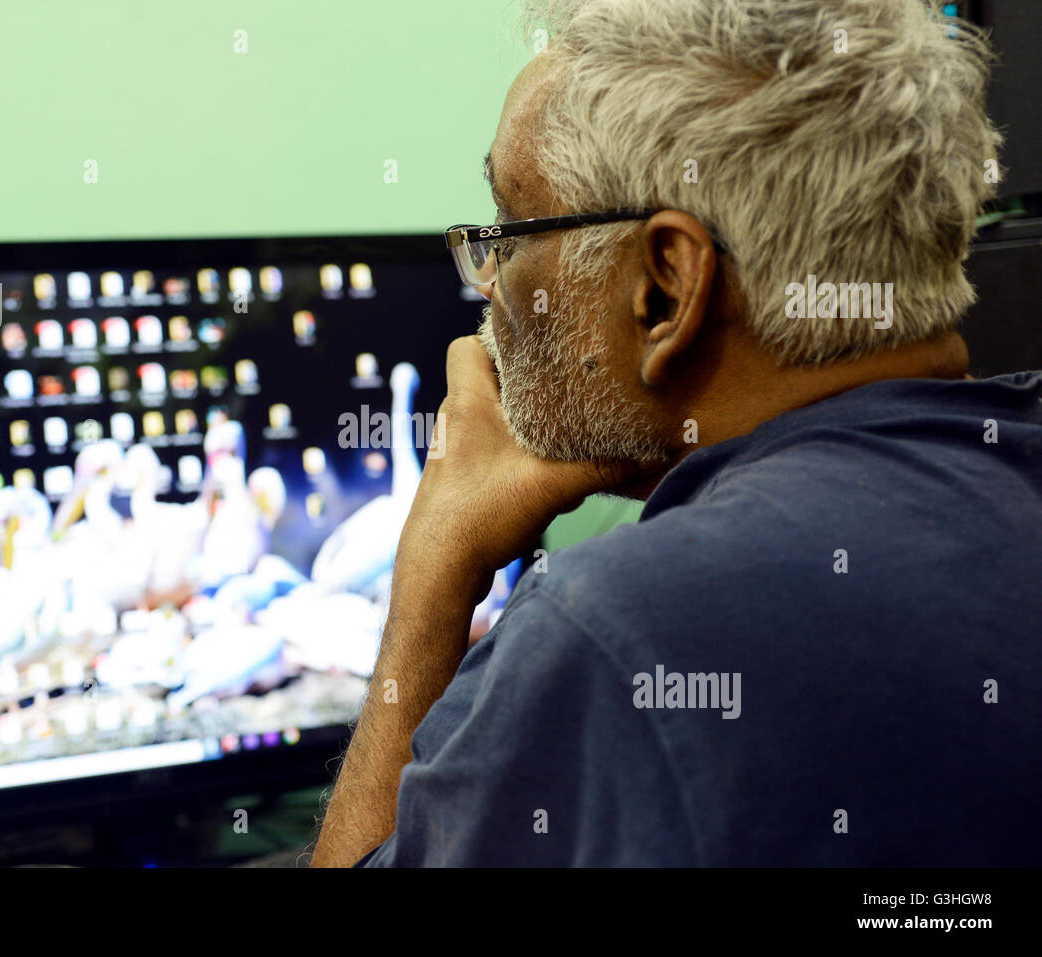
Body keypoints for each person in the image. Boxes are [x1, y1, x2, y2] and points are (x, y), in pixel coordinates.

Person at [310, 0, 1042, 867]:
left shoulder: (612, 634)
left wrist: (434, 568)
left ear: (663, 286)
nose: (490, 284)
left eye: (510, 228)